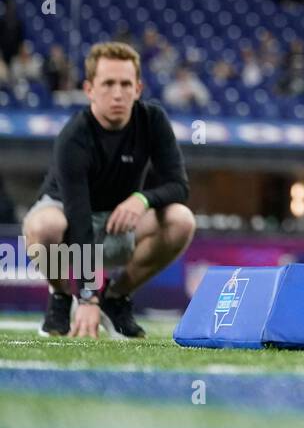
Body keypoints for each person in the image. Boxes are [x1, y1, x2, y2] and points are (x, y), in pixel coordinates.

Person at [20, 42, 195, 338]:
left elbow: (179, 186)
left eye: (126, 84)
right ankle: (61, 298)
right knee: (43, 225)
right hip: (69, 230)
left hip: (119, 225)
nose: (118, 93)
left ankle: (116, 298)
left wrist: (142, 199)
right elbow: (77, 216)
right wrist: (88, 295)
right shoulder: (74, 135)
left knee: (181, 220)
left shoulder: (152, 120)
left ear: (138, 88)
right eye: (108, 84)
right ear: (89, 89)